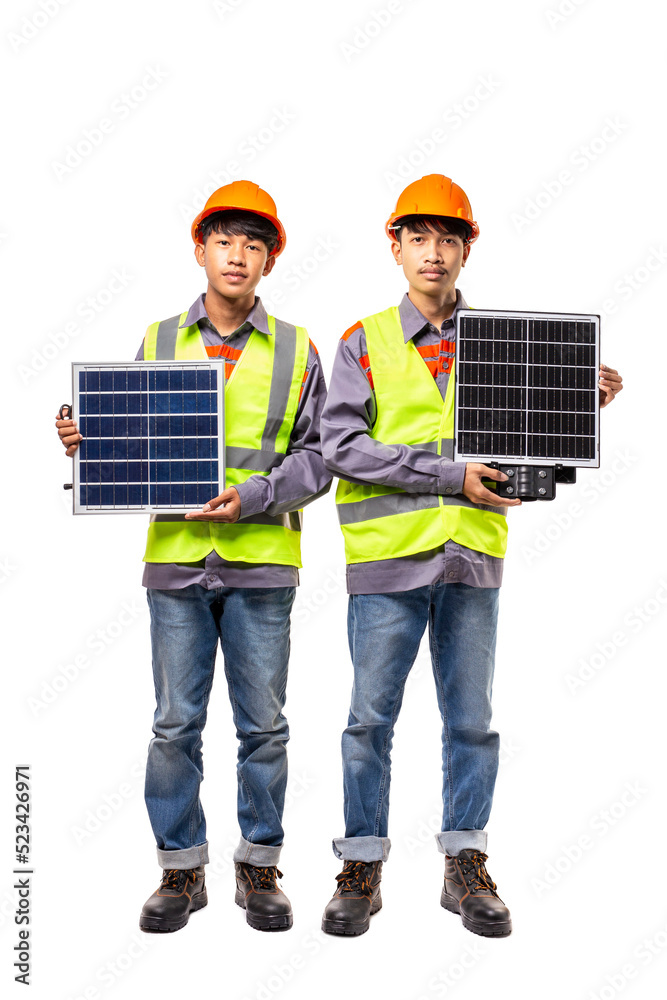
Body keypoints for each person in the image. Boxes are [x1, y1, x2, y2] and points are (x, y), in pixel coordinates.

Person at [318, 173, 623, 938]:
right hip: (387, 564)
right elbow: (342, 448)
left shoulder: (504, 345)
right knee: (368, 723)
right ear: (394, 248)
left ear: (466, 249)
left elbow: (526, 446)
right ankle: (361, 867)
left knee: (471, 722)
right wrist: (450, 475)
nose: (434, 251)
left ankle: (465, 865)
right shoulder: (362, 341)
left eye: (448, 238)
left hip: (472, 559)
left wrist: (573, 400)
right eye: (418, 237)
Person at [56, 180, 331, 933]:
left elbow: (318, 461)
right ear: (200, 250)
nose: (237, 255)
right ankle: (180, 870)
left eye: (253, 244)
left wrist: (255, 496)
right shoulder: (157, 341)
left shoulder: (299, 348)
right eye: (224, 241)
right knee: (175, 724)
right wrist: (87, 442)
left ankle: (258, 866)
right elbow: (129, 443)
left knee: (263, 727)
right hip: (176, 563)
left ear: (269, 261)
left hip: (262, 564)